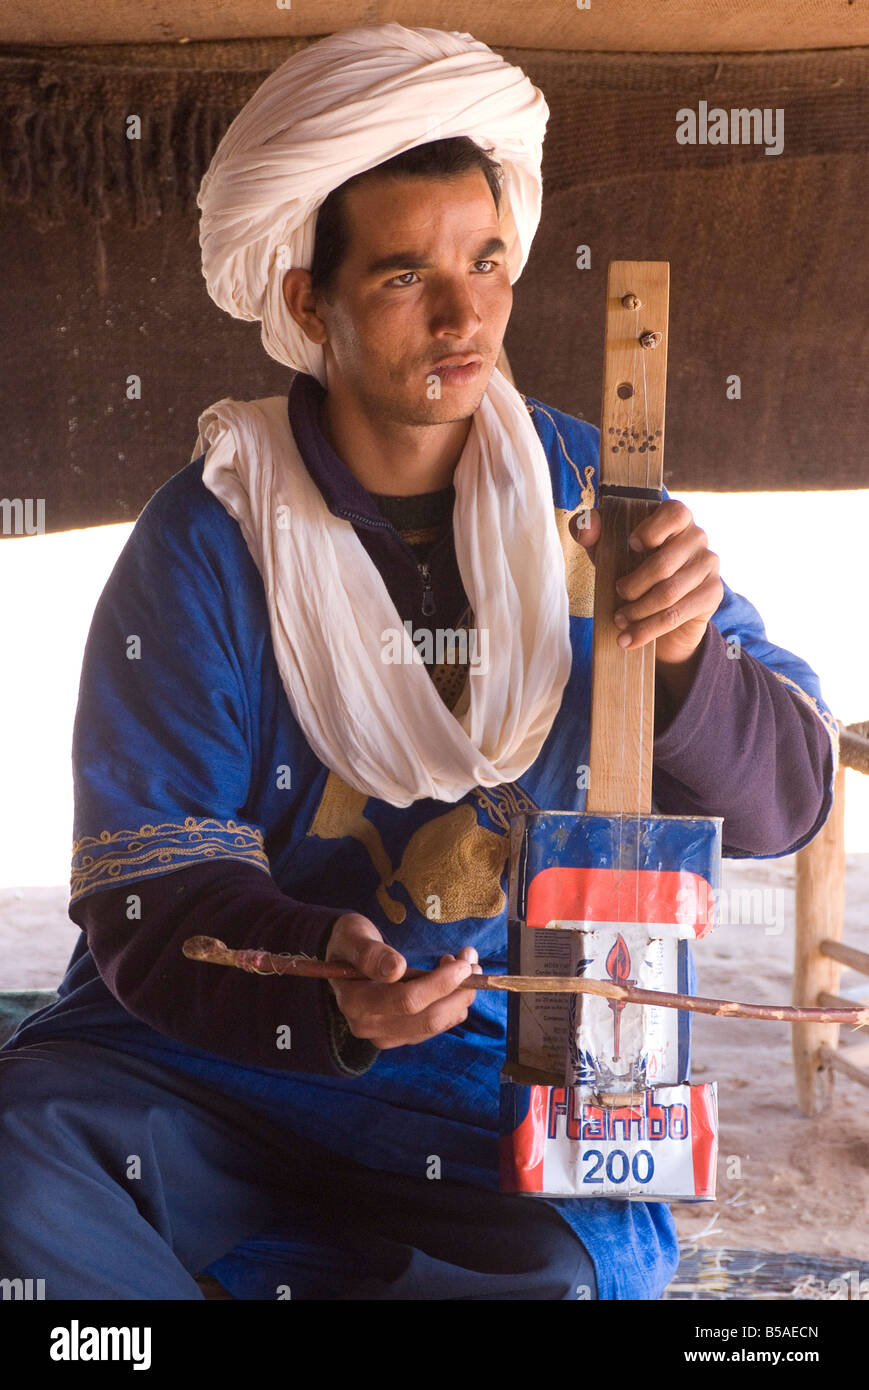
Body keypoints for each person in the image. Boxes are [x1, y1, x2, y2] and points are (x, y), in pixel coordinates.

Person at [0, 23, 837, 1301]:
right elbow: (148, 895)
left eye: (488, 260)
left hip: (489, 1069)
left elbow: (786, 806)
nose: (466, 315)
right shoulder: (207, 539)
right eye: (402, 276)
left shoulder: (597, 505)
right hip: (196, 1064)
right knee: (24, 1169)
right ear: (306, 301)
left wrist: (683, 665)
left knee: (569, 1266)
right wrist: (325, 990)